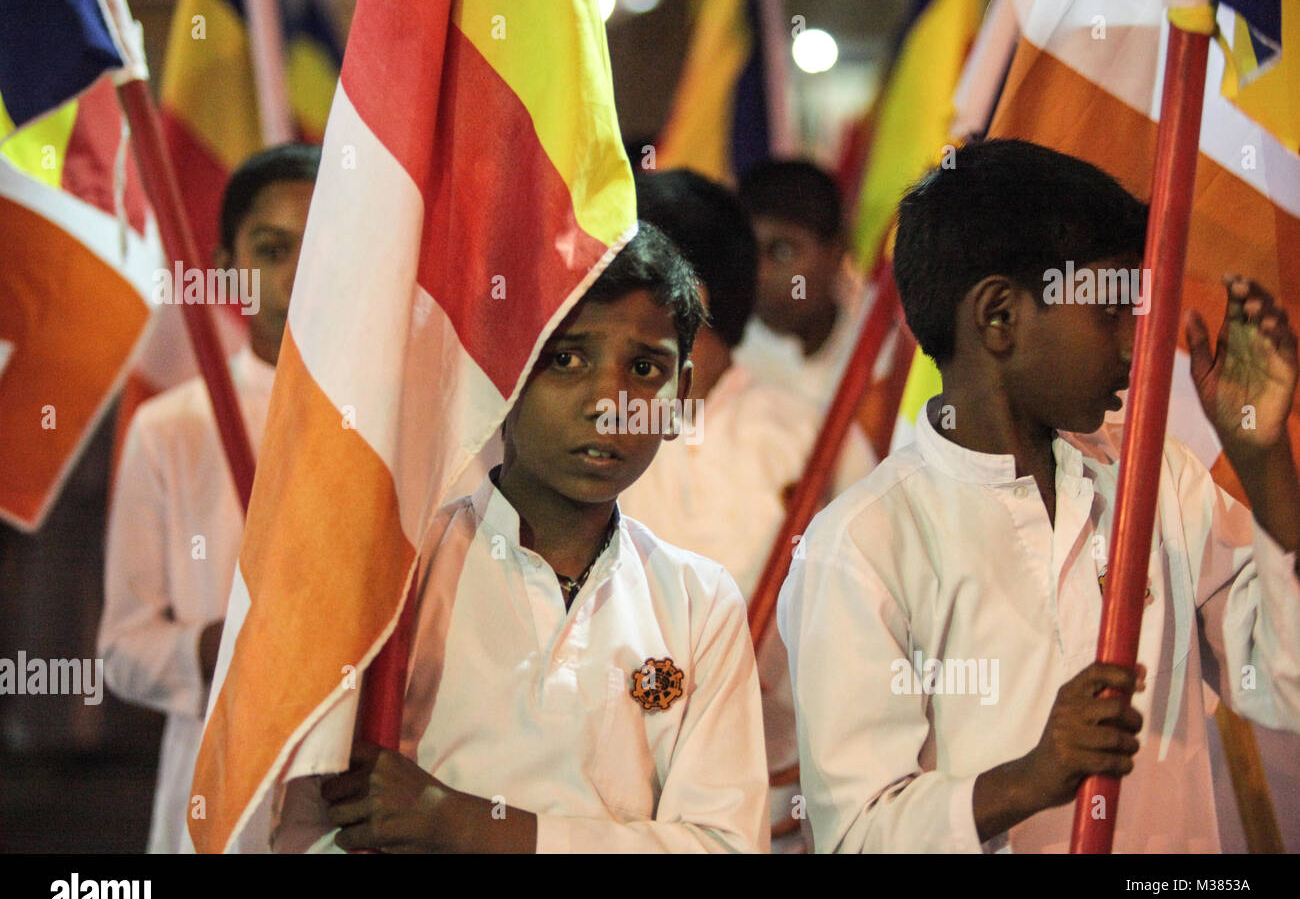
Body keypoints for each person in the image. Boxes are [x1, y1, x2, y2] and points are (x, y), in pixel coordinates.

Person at [779, 138, 1300, 853]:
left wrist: (1264, 454)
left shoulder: (1158, 477)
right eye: (1111, 312)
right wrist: (1032, 777)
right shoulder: (863, 546)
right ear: (999, 317)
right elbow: (859, 834)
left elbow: (1286, 683)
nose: (1135, 347)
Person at [296, 222, 770, 853]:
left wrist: (462, 825)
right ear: (503, 372)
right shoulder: (399, 570)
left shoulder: (699, 602)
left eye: (645, 367)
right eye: (566, 358)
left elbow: (726, 845)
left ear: (680, 394)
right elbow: (298, 826)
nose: (609, 401)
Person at [618, 169, 876, 851]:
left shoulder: (813, 438)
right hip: (613, 806)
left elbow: (877, 631)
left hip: (786, 810)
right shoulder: (583, 430)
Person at [98, 143, 321, 853]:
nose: (300, 276)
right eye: (273, 250)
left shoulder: (406, 428)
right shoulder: (172, 431)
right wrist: (224, 647)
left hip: (362, 783)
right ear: (227, 271)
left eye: (325, 245)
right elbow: (124, 648)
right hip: (217, 786)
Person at [735, 159, 887, 413]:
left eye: (782, 252)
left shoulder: (887, 345)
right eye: (748, 252)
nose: (760, 273)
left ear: (836, 253)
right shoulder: (717, 357)